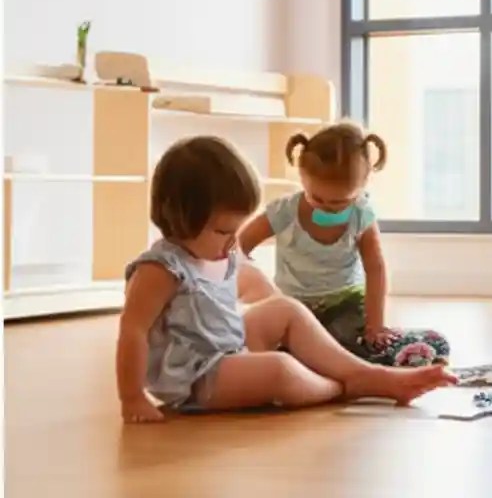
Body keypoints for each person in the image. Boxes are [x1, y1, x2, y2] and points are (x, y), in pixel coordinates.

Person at [116, 136, 454, 423]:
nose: (233, 242)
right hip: (196, 378)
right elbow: (133, 331)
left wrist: (283, 315)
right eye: (223, 231)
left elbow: (255, 288)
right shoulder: (160, 270)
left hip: (227, 349)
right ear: (179, 218)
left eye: (236, 231)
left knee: (287, 309)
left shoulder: (218, 252)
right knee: (280, 369)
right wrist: (132, 397)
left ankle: (365, 374)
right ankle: (346, 385)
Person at [238, 122, 450, 367]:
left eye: (340, 202)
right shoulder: (285, 212)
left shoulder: (360, 214)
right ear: (302, 178)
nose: (327, 206)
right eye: (317, 198)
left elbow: (375, 268)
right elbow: (241, 243)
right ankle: (313, 358)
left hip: (345, 304)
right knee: (273, 339)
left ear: (362, 186)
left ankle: (390, 350)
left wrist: (376, 325)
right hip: (294, 305)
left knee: (351, 340)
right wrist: (241, 274)